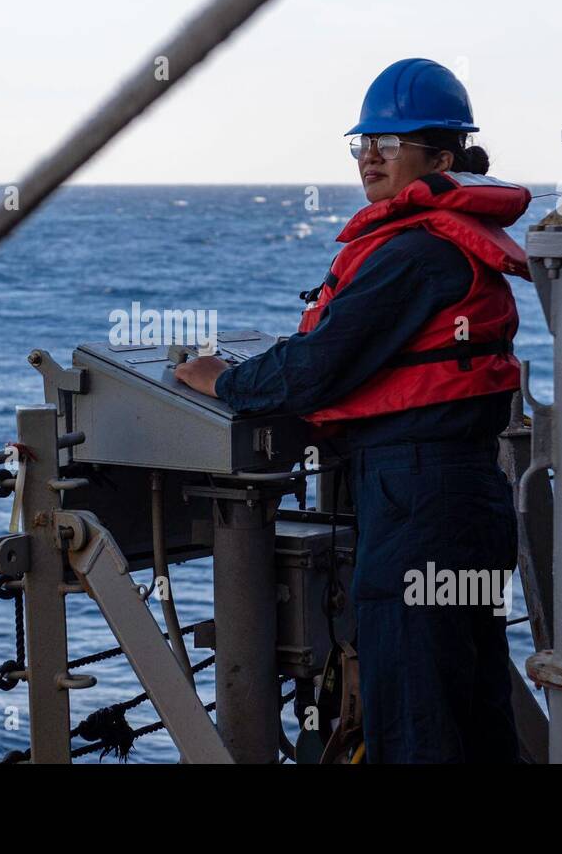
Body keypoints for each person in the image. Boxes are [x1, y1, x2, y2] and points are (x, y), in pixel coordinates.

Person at [175, 57, 528, 763]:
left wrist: (223, 380)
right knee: (474, 705)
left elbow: (315, 369)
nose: (370, 156)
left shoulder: (415, 252)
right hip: (461, 494)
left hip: (416, 499)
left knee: (416, 715)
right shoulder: (441, 243)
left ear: (442, 155)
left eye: (389, 143)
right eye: (364, 142)